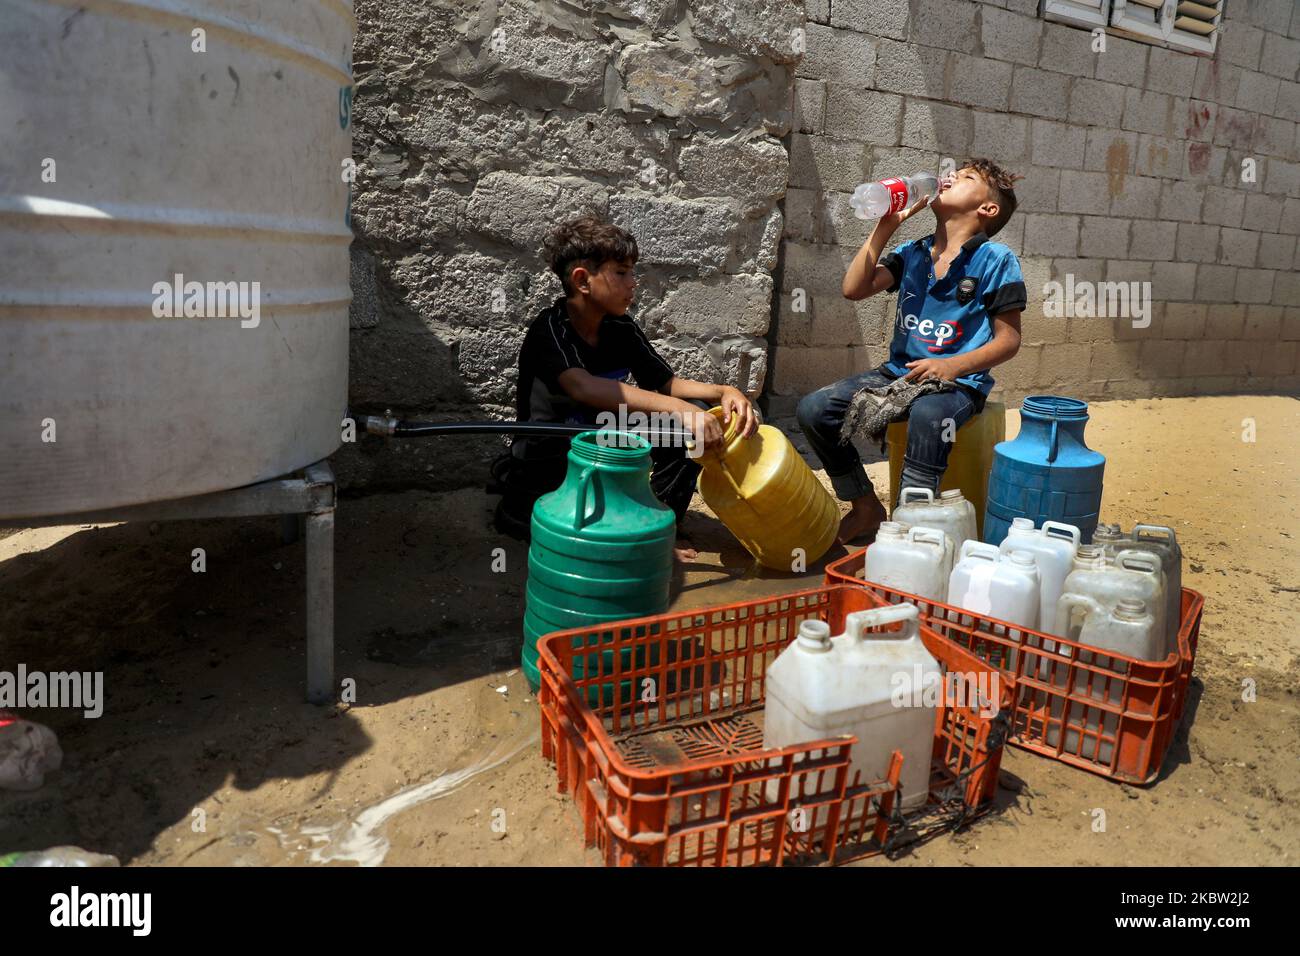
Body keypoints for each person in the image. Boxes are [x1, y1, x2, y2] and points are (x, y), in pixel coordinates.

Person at [492, 215, 758, 560]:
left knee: (690, 430)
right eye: (621, 273)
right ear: (582, 280)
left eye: (632, 272)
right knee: (561, 536)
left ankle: (657, 526)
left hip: (603, 440)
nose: (634, 283)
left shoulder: (620, 328)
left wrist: (722, 392)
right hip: (552, 454)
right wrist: (683, 410)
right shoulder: (550, 330)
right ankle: (617, 531)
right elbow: (584, 388)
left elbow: (666, 383)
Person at [798, 158, 1026, 544]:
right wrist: (886, 225)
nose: (950, 178)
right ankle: (866, 507)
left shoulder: (996, 260)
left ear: (987, 209)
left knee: (928, 415)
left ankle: (906, 524)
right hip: (897, 374)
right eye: (952, 173)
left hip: (955, 384)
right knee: (814, 409)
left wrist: (952, 366)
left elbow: (1009, 341)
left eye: (966, 177)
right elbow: (854, 288)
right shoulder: (913, 252)